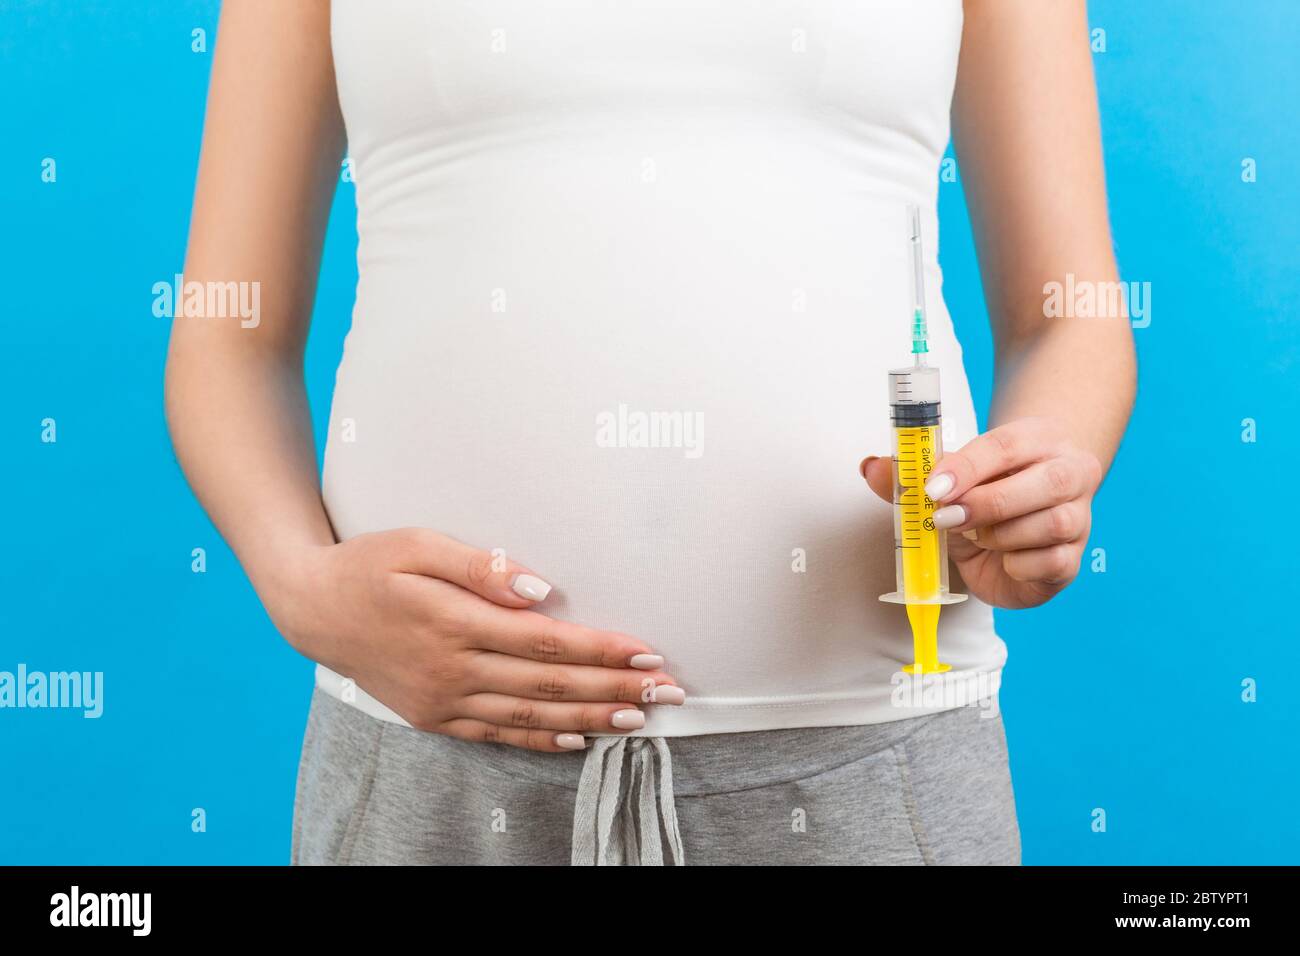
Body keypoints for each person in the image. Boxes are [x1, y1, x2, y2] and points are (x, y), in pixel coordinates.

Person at [165, 0, 1135, 865]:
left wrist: (1032, 481)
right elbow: (224, 333)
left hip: (870, 767)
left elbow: (1071, 316)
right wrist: (301, 588)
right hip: (430, 767)